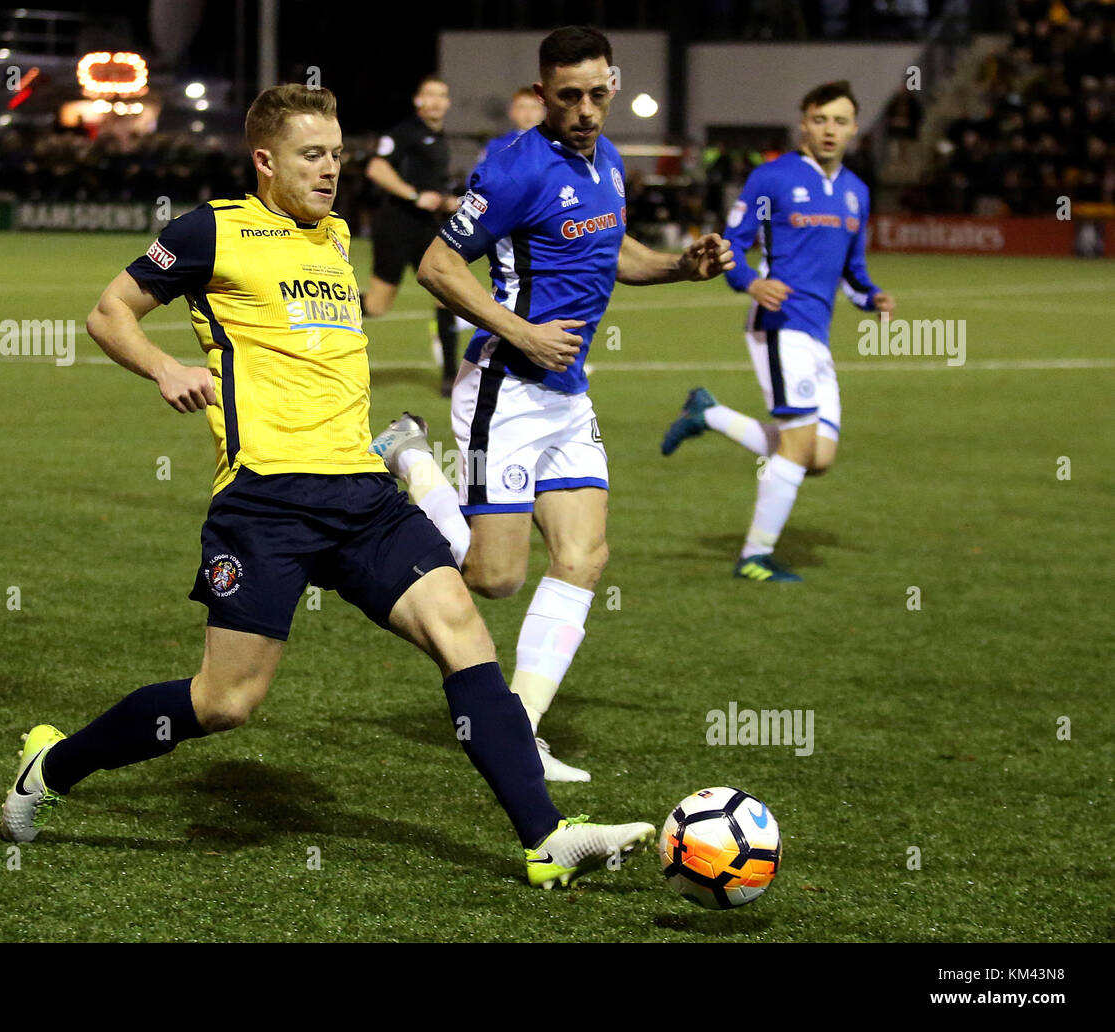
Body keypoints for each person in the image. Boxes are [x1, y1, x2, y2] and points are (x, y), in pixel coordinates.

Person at [0, 83, 653, 890]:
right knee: (227, 702)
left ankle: (545, 838)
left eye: (339, 155)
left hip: (361, 496)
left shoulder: (335, 234)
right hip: (266, 501)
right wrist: (166, 366)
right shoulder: (213, 229)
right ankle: (53, 765)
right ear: (265, 160)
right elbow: (109, 313)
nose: (332, 170)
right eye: (314, 155)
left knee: (464, 633)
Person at [371, 26, 734, 782]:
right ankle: (410, 455)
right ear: (542, 93)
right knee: (493, 579)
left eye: (599, 93)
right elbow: (438, 265)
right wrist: (523, 333)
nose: (588, 109)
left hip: (568, 395)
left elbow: (616, 250)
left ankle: (520, 732)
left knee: (584, 556)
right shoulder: (513, 167)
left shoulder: (609, 163)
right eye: (569, 96)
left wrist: (680, 267)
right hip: (505, 388)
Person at [661, 80, 895, 582]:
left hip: (817, 333)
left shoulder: (857, 193)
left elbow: (854, 271)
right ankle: (754, 557)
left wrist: (871, 297)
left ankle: (709, 413)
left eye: (839, 121)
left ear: (855, 128)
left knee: (819, 457)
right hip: (780, 323)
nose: (829, 130)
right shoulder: (772, 179)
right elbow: (731, 248)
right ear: (803, 122)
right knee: (796, 446)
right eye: (819, 119)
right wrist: (751, 283)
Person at [363, 75, 461, 396]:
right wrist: (413, 196)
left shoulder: (442, 138)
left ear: (447, 103)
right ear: (418, 100)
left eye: (441, 96)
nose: (435, 101)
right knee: (377, 306)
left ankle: (451, 376)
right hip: (396, 224)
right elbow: (376, 169)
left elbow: (432, 185)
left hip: (427, 228)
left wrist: (447, 200)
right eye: (428, 95)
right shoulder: (404, 133)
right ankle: (325, 309)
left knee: (445, 293)